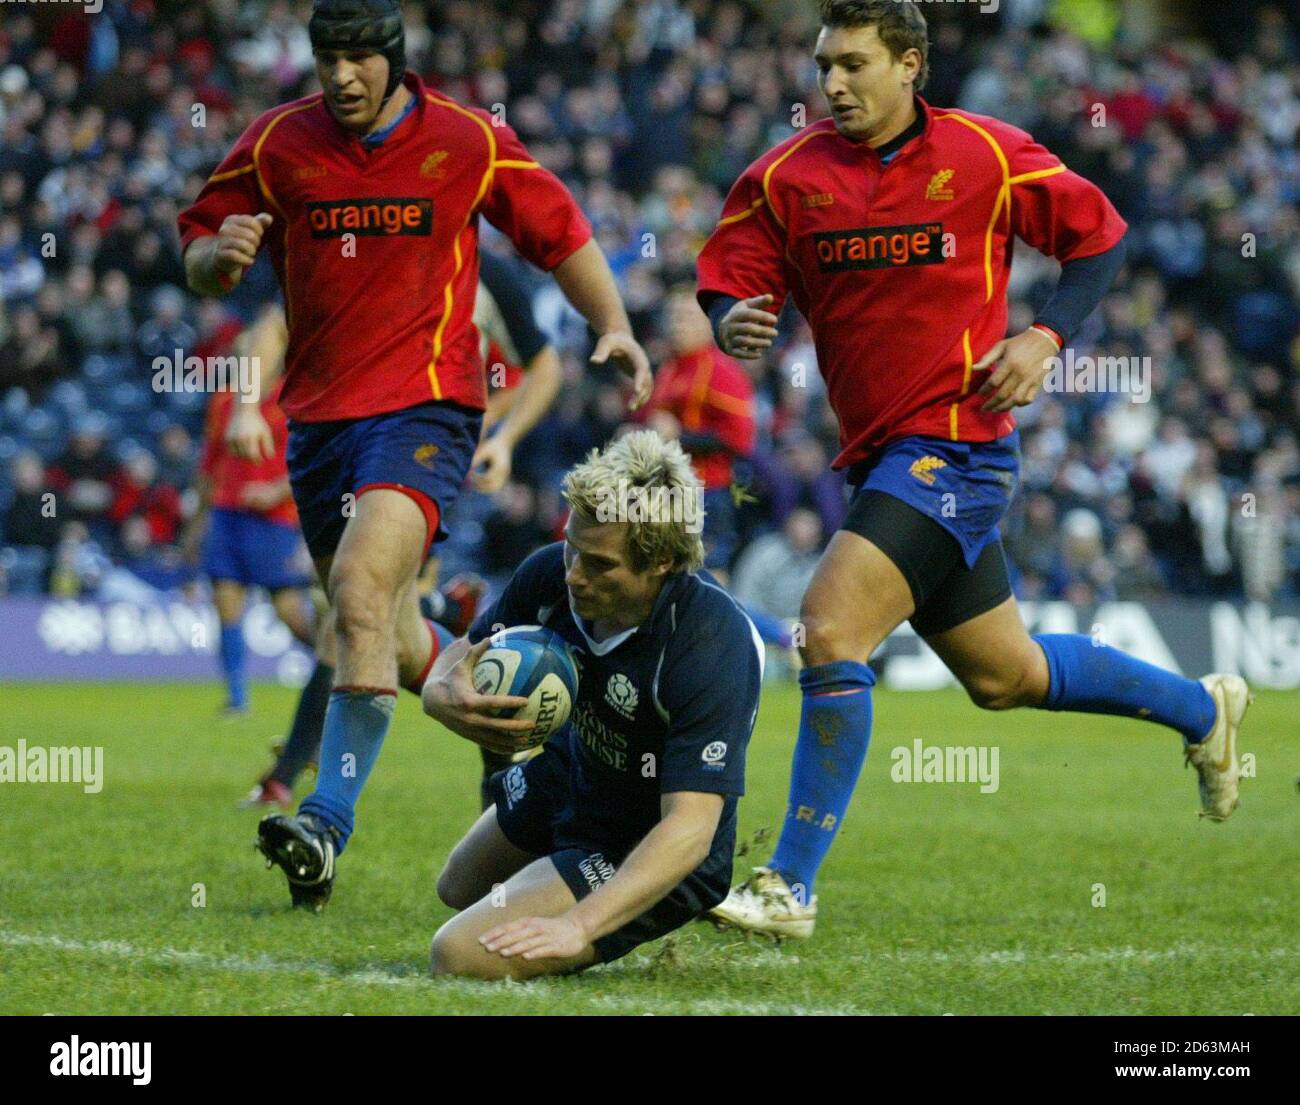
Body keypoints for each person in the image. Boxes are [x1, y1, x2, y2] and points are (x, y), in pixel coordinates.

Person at [696, 0, 1250, 939]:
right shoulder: (785, 175)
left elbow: (1100, 236)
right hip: (881, 456)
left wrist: (1044, 336)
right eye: (824, 65)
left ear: (911, 63)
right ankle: (1203, 706)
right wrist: (726, 317)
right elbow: (730, 268)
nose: (832, 84)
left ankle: (789, 884)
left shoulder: (987, 155)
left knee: (829, 631)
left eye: (855, 64)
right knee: (1006, 676)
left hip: (959, 444)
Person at [177, 0, 651, 911]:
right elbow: (201, 243)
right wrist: (217, 258)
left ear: (395, 62)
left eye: (361, 59)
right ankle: (519, 704)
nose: (344, 77)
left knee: (356, 588)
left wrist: (617, 326)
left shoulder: (465, 142)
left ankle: (322, 822)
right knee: (386, 638)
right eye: (329, 60)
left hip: (426, 409)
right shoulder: (278, 143)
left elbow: (559, 230)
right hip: (316, 425)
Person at [423, 432, 763, 978]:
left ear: (664, 563)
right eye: (572, 547)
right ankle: (558, 880)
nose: (574, 574)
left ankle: (615, 891)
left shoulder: (709, 641)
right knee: (458, 886)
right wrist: (441, 696)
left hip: (646, 834)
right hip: (572, 771)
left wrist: (578, 924)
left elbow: (690, 828)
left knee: (457, 955)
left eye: (600, 564)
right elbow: (460, 656)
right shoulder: (550, 573)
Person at [188, 356, 314, 716]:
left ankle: (337, 668)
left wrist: (276, 491)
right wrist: (197, 524)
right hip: (226, 515)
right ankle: (237, 698)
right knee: (226, 605)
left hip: (273, 521)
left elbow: (309, 457)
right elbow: (210, 462)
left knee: (290, 612)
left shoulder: (294, 397)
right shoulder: (225, 400)